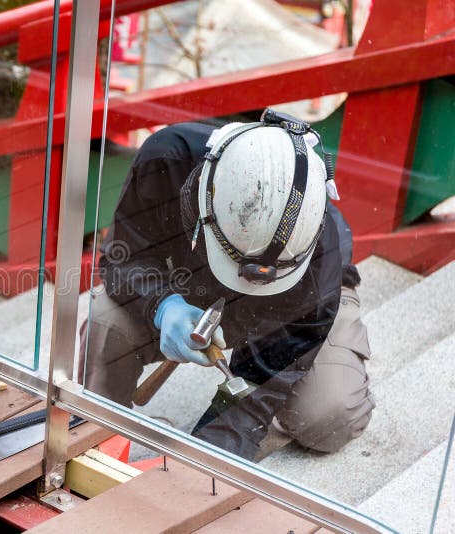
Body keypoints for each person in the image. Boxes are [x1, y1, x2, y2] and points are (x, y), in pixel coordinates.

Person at [80, 109, 374, 462]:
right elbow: (123, 260)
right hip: (188, 280)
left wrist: (205, 459)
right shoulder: (169, 159)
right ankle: (97, 434)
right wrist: (162, 306)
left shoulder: (322, 254)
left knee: (329, 416)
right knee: (106, 321)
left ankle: (278, 417)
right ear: (203, 199)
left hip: (294, 301)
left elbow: (258, 388)